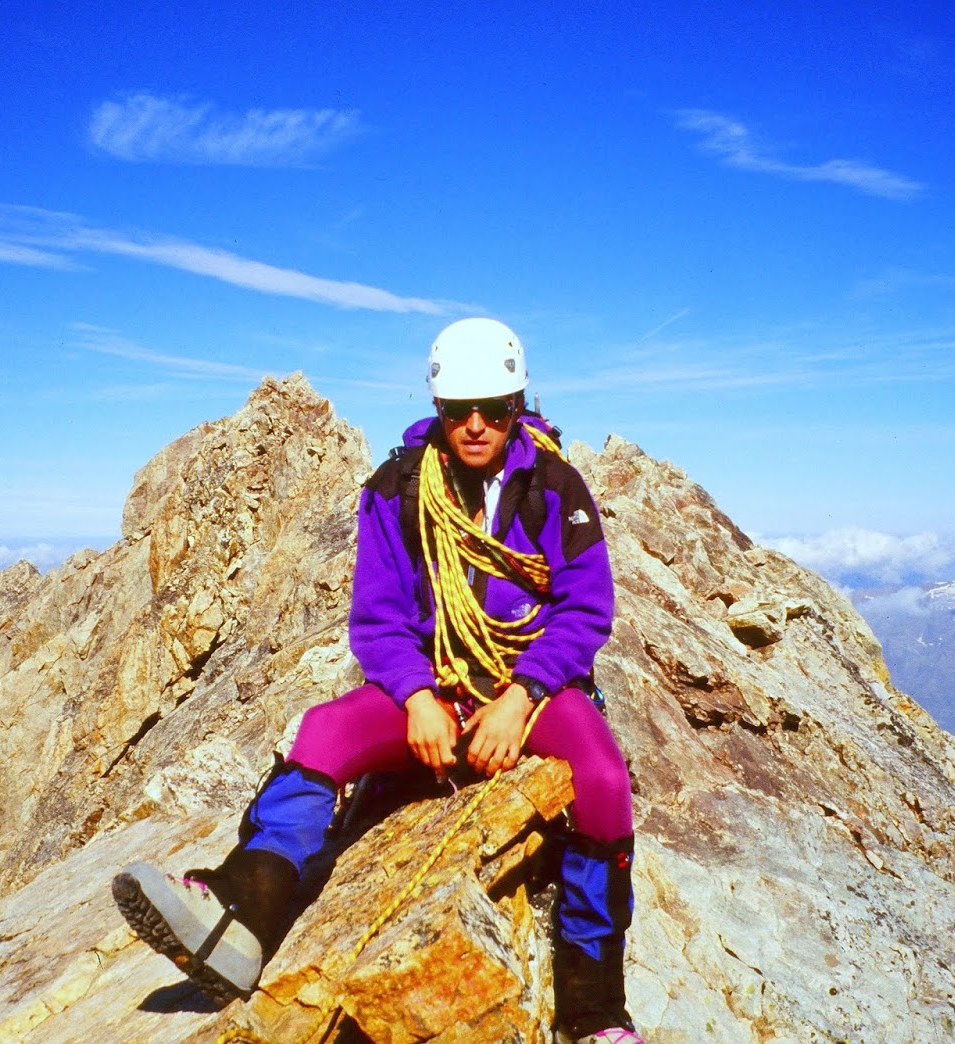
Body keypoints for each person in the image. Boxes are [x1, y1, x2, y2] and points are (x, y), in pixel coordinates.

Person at [114, 318, 643, 1044]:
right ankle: (244, 908)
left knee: (605, 782)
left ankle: (593, 1006)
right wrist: (419, 696)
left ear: (517, 403)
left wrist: (521, 694)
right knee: (325, 731)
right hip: (436, 688)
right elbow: (378, 618)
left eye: (494, 409)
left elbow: (587, 607)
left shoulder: (552, 485)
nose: (477, 427)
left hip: (527, 692)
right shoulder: (397, 489)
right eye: (459, 412)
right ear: (439, 410)